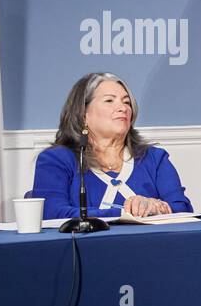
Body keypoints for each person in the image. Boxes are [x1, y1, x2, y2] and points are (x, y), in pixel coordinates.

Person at [32, 73, 192, 219]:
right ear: (83, 116)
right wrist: (124, 213)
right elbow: (51, 212)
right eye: (109, 100)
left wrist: (157, 208)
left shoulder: (154, 158)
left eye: (127, 102)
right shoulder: (56, 160)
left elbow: (183, 209)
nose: (123, 108)